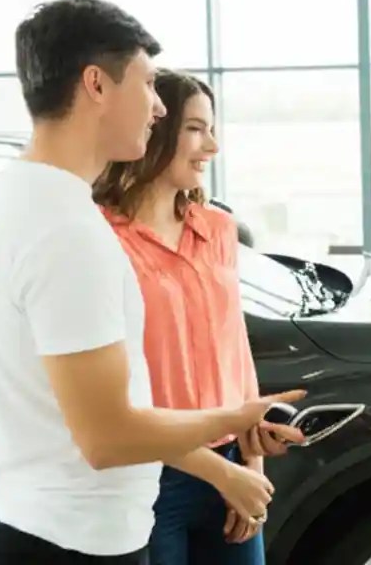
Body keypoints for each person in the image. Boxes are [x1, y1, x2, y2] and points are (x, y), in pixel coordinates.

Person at [0, 0, 304, 564]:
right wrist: (235, 419)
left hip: (50, 526)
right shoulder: (70, 230)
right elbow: (108, 437)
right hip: (69, 543)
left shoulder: (15, 197)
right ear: (97, 84)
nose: (156, 107)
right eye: (148, 85)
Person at [93, 69, 300, 565]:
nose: (212, 146)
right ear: (154, 126)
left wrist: (251, 466)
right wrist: (221, 472)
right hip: (148, 475)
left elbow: (235, 347)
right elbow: (109, 396)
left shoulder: (219, 229)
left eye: (212, 129)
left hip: (231, 466)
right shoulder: (100, 236)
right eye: (196, 128)